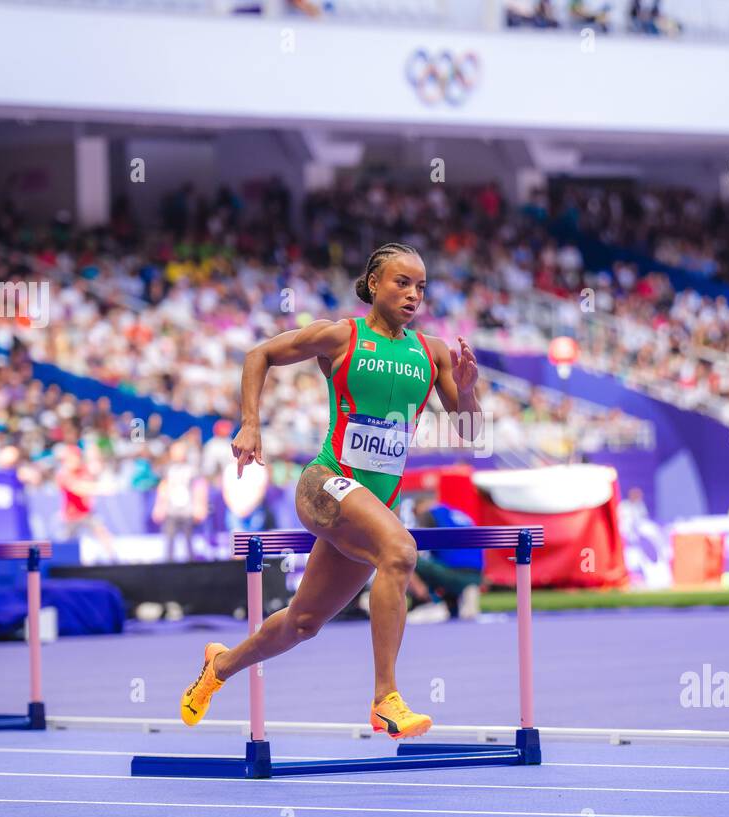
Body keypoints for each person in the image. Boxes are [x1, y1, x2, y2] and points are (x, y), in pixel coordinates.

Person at [179, 241, 483, 738]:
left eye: (421, 287)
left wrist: (467, 391)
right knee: (402, 551)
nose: (412, 294)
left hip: (374, 504)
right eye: (401, 283)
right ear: (373, 284)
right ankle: (386, 699)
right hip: (324, 484)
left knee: (302, 622)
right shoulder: (342, 336)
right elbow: (261, 354)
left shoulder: (432, 353)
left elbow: (472, 434)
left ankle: (219, 667)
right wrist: (251, 424)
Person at [399, 493, 483, 623]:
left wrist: (417, 585)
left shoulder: (427, 514)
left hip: (452, 573)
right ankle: (455, 602)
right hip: (477, 576)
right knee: (439, 561)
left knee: (406, 557)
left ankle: (431, 603)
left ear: (419, 507)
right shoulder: (457, 514)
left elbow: (418, 549)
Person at [153, 440, 208, 562]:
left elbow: (199, 487)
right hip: (171, 511)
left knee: (189, 542)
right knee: (169, 542)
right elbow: (163, 487)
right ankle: (168, 568)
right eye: (175, 451)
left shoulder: (192, 469)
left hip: (188, 511)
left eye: (180, 450)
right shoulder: (167, 468)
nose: (178, 453)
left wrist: (200, 506)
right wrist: (159, 506)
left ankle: (191, 569)